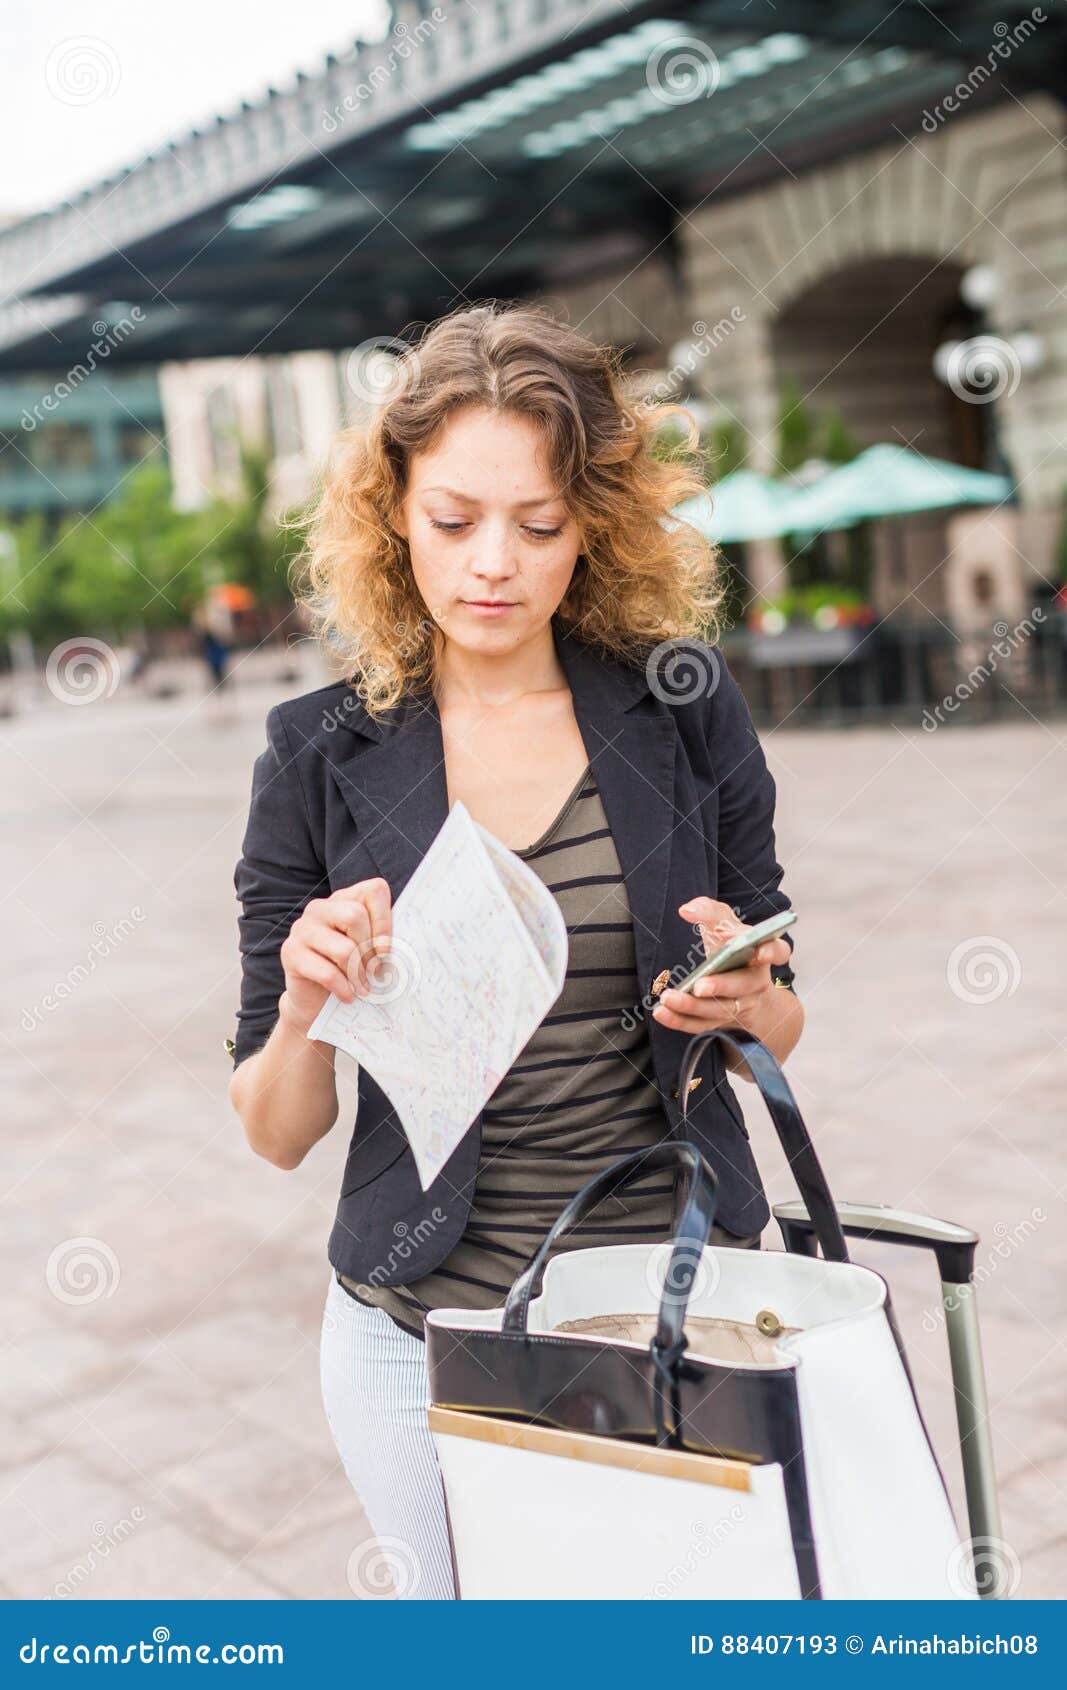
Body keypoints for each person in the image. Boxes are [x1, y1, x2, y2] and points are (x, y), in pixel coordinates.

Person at [228, 303, 802, 1600]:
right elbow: (272, 1127)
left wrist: (750, 997)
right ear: (392, 515)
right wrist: (308, 1003)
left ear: (591, 524)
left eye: (538, 525)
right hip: (416, 1334)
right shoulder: (319, 754)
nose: (495, 562)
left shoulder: (682, 706)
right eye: (454, 520)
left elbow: (782, 1007)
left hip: (669, 1302)